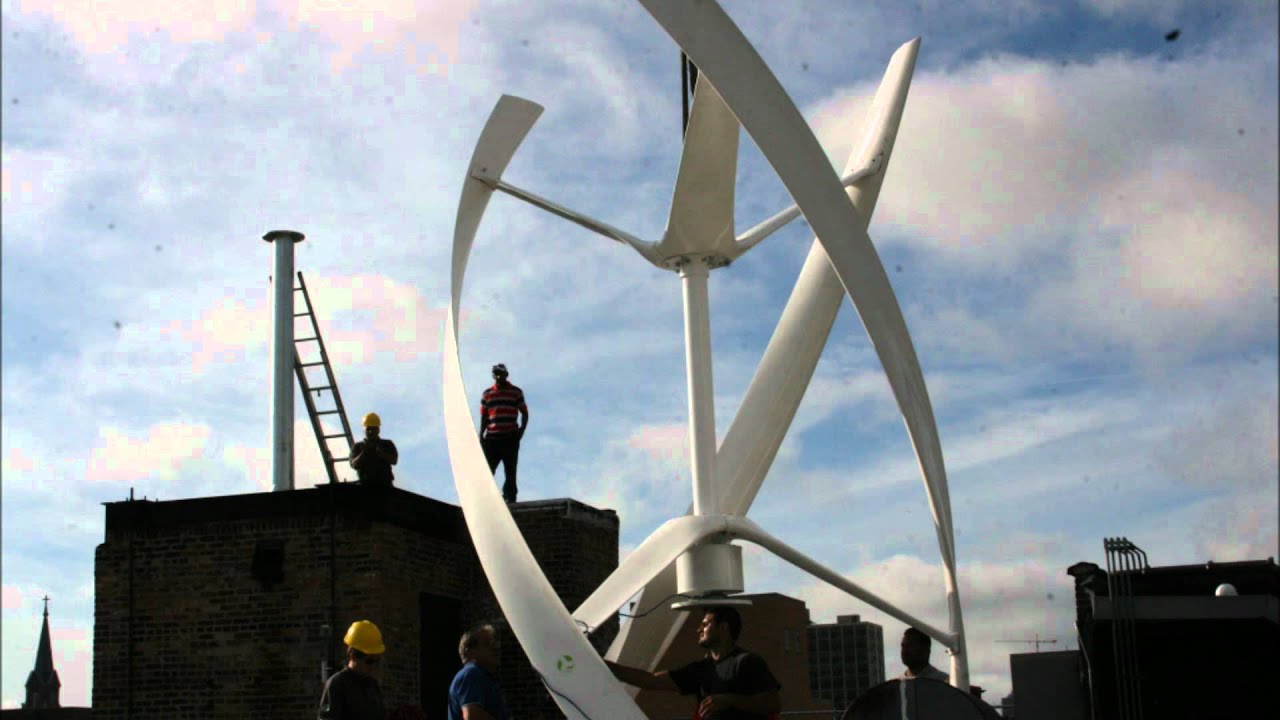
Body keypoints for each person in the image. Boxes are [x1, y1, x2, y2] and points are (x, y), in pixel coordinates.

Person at [606, 606, 782, 720]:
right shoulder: (701, 669)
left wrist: (730, 700)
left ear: (723, 627)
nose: (699, 629)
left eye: (705, 624)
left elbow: (773, 704)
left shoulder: (747, 662)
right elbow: (650, 681)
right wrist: (605, 665)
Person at [478, 364, 528, 503]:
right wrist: (481, 434)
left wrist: (521, 431)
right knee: (487, 470)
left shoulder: (516, 392)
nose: (498, 376)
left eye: (500, 373)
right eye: (495, 374)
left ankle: (509, 497)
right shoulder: (487, 394)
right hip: (492, 438)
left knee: (510, 471)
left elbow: (524, 413)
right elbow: (484, 416)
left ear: (506, 374)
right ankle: (485, 498)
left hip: (510, 437)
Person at [318, 620, 387, 720]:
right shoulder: (337, 684)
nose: (373, 666)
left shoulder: (372, 685)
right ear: (353, 655)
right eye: (369, 661)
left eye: (377, 661)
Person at [448, 624, 510, 720]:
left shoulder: (481, 676)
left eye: (494, 643)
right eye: (487, 643)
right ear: (469, 652)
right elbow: (472, 716)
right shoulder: (471, 674)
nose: (495, 647)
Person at [350, 412, 398, 487]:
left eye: (374, 429)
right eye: (368, 428)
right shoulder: (358, 446)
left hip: (385, 486)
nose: (371, 431)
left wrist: (382, 454)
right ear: (364, 430)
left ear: (378, 430)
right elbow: (353, 465)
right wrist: (364, 453)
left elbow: (394, 461)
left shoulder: (387, 444)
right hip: (365, 486)